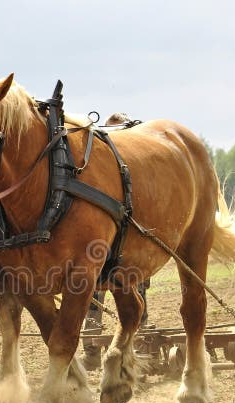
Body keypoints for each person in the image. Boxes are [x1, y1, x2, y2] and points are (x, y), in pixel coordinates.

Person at [80, 112, 151, 371]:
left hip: (127, 248)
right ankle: (91, 352)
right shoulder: (107, 167)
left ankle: (134, 348)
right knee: (93, 299)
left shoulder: (128, 167)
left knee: (132, 294)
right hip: (103, 247)